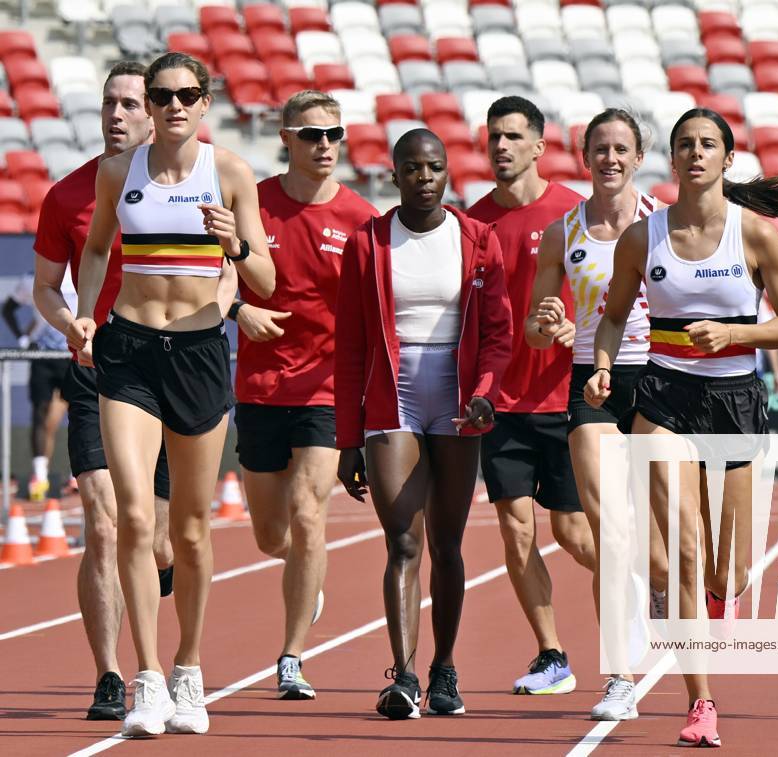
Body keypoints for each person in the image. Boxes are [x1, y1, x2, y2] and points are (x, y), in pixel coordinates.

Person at [67, 52, 274, 737]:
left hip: (197, 353)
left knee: (187, 527)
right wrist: (86, 312)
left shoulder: (232, 171)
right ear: (149, 104)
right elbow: (96, 248)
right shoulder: (116, 173)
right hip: (128, 352)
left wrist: (236, 244)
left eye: (188, 94)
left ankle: (189, 668)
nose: (174, 104)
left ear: (206, 102)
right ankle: (148, 679)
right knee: (131, 513)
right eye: (162, 95)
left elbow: (267, 281)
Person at [590, 107, 778, 747]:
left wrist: (734, 333)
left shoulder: (756, 235)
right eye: (684, 144)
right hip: (662, 396)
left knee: (725, 570)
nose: (694, 153)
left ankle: (723, 590)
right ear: (673, 159)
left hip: (736, 397)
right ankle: (701, 703)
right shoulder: (643, 237)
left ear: (726, 159)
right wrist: (604, 364)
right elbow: (611, 317)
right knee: (684, 551)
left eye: (707, 144)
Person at [335, 129, 512, 719]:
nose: (424, 177)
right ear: (395, 175)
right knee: (403, 541)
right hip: (394, 400)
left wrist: (486, 395)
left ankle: (444, 670)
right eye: (412, 168)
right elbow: (351, 347)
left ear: (447, 174)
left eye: (434, 167)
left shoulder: (478, 239)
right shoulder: (368, 243)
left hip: (458, 400)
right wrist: (347, 438)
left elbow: (497, 335)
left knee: (448, 543)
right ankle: (404, 675)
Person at [31, 60, 177, 721]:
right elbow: (41, 287)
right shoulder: (65, 197)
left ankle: (163, 564)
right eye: (108, 104)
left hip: (167, 372)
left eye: (129, 105)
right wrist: (72, 322)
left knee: (163, 537)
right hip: (93, 369)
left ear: (152, 115)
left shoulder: (179, 186)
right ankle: (112, 675)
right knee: (103, 522)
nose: (116, 115)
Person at [230, 90, 377, 700]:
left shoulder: (362, 218)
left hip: (327, 387)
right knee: (271, 534)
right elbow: (210, 278)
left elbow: (376, 319)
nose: (325, 146)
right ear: (285, 139)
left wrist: (369, 411)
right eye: (312, 134)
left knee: (308, 513)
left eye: (334, 134)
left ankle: (291, 658)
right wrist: (240, 310)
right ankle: (304, 573)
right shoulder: (252, 202)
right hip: (260, 387)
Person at [527, 108, 667, 720]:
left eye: (621, 149)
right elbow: (537, 331)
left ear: (638, 157)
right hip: (594, 383)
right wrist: (547, 325)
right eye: (600, 149)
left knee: (659, 551)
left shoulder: (663, 223)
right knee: (609, 532)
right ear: (585, 158)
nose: (610, 158)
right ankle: (619, 677)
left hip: (663, 379)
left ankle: (662, 583)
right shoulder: (563, 233)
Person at [466, 95, 596, 696]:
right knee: (516, 530)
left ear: (540, 146)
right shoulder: (474, 223)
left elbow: (617, 298)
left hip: (567, 398)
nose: (501, 147)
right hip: (503, 402)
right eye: (494, 137)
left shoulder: (575, 212)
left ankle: (650, 582)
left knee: (573, 534)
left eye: (514, 137)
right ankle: (552, 654)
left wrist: (582, 331)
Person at [4, 272, 71, 500]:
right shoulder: (31, 279)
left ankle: (78, 474)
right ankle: (40, 476)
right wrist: (23, 338)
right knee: (40, 413)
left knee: (82, 412)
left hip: (73, 354)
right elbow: (7, 308)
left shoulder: (82, 271)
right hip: (43, 355)